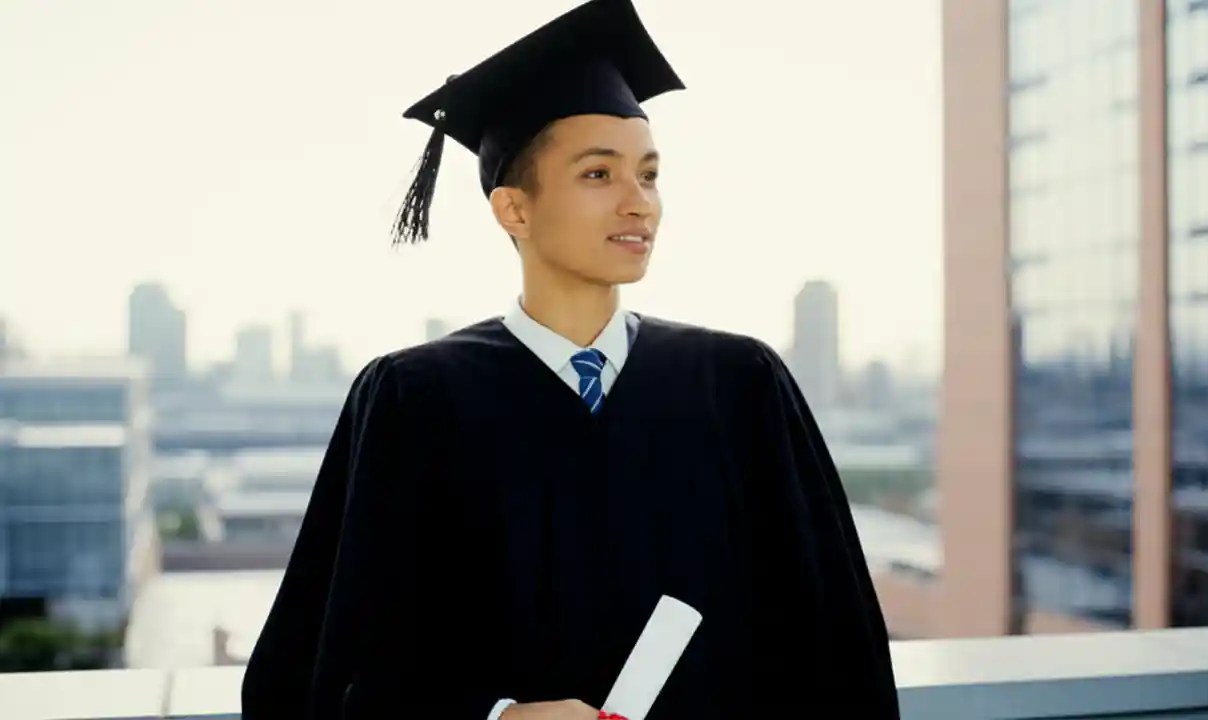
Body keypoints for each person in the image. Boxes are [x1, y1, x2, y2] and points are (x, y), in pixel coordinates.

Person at [240, 0, 899, 717]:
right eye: (598, 175)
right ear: (513, 210)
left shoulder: (739, 385)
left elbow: (837, 655)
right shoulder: (415, 399)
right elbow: (328, 671)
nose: (638, 203)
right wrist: (495, 718)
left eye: (649, 174)